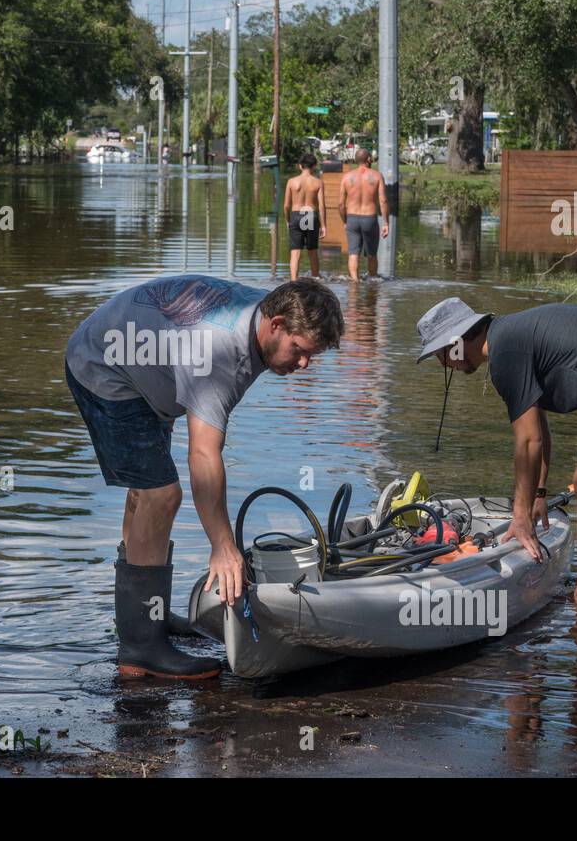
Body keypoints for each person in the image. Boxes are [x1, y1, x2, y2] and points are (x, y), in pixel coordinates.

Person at [65, 275, 345, 678]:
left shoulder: (260, 321)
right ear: (277, 323)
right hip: (104, 368)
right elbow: (203, 453)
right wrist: (222, 546)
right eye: (300, 351)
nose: (304, 365)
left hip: (138, 365)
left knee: (146, 495)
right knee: (161, 495)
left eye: (311, 357)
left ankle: (147, 619)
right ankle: (141, 648)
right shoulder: (221, 350)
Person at [414, 298, 577, 609]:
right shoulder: (512, 336)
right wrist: (538, 494)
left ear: (455, 343)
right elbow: (539, 432)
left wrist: (521, 517)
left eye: (439, 356)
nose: (444, 365)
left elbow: (528, 442)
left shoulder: (505, 351)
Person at [337, 148, 389, 280]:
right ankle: (372, 280)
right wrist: (386, 223)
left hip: (352, 218)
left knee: (353, 254)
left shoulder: (347, 177)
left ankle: (355, 283)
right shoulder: (377, 176)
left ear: (356, 160)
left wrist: (344, 221)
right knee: (372, 253)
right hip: (369, 218)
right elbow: (383, 200)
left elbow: (341, 204)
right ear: (369, 160)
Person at [283, 154, 326, 281]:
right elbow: (322, 206)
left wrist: (288, 220)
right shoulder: (318, 182)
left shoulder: (292, 182)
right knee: (312, 251)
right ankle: (315, 278)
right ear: (314, 166)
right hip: (311, 214)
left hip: (297, 214)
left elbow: (286, 206)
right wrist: (324, 226)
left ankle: (294, 281)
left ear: (300, 166)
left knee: (295, 252)